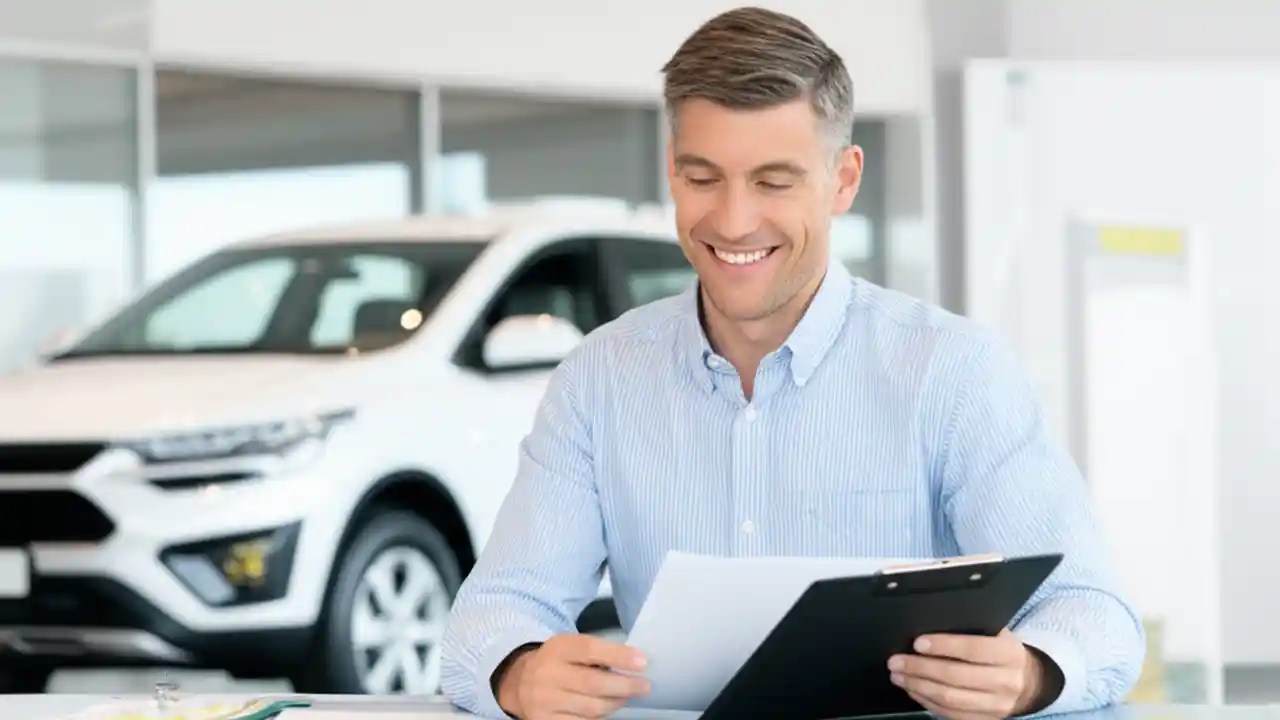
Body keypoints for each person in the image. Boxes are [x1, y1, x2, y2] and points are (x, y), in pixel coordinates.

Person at [440, 7, 1145, 720]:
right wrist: (518, 674)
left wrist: (1031, 674)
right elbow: (493, 614)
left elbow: (1092, 612)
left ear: (843, 181)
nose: (735, 220)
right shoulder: (598, 380)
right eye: (703, 178)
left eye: (774, 181)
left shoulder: (954, 373)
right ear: (672, 174)